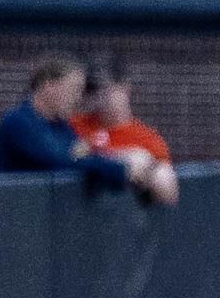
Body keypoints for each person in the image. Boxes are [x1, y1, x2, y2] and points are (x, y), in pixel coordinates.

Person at [0, 53, 139, 192]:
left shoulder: (60, 126)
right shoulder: (19, 122)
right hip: (13, 212)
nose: (77, 98)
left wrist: (123, 159)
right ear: (49, 85)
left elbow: (81, 154)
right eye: (73, 89)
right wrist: (121, 169)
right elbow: (60, 160)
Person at [71, 61, 178, 205]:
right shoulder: (73, 124)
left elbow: (168, 192)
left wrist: (149, 169)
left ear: (125, 87)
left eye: (106, 89)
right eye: (94, 90)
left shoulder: (147, 138)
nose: (100, 96)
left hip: (122, 219)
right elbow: (65, 157)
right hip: (76, 212)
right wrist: (122, 156)